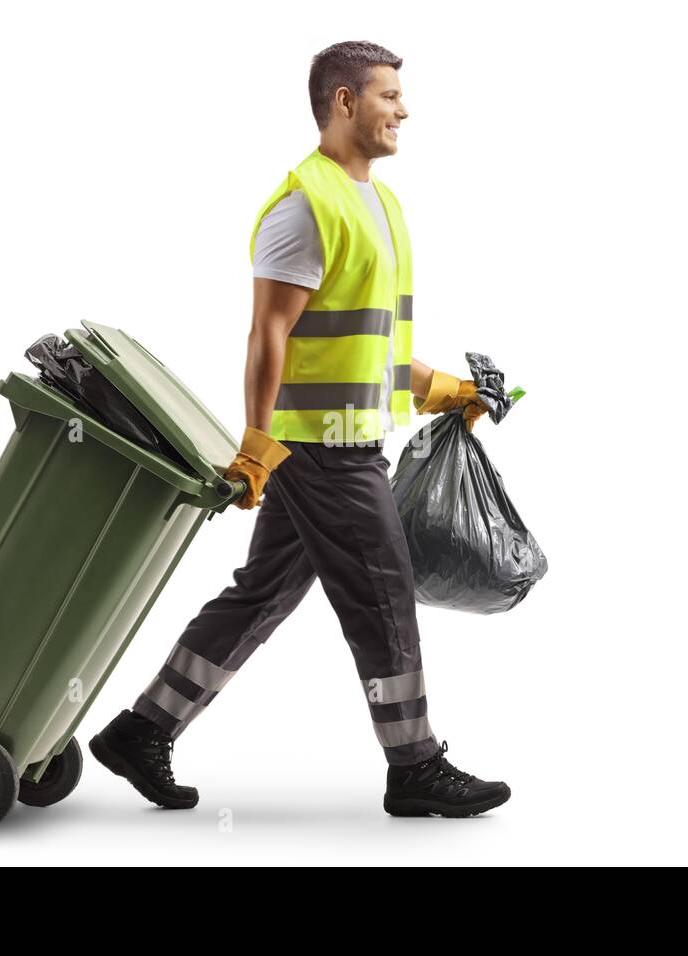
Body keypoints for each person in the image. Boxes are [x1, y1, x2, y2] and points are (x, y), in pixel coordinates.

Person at [89, 40, 510, 818]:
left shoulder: (379, 205)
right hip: (321, 448)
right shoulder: (303, 204)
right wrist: (255, 443)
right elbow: (268, 335)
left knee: (261, 595)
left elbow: (369, 343)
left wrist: (444, 389)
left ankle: (141, 729)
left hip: (345, 437)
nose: (404, 109)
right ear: (344, 102)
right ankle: (414, 765)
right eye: (389, 95)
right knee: (384, 596)